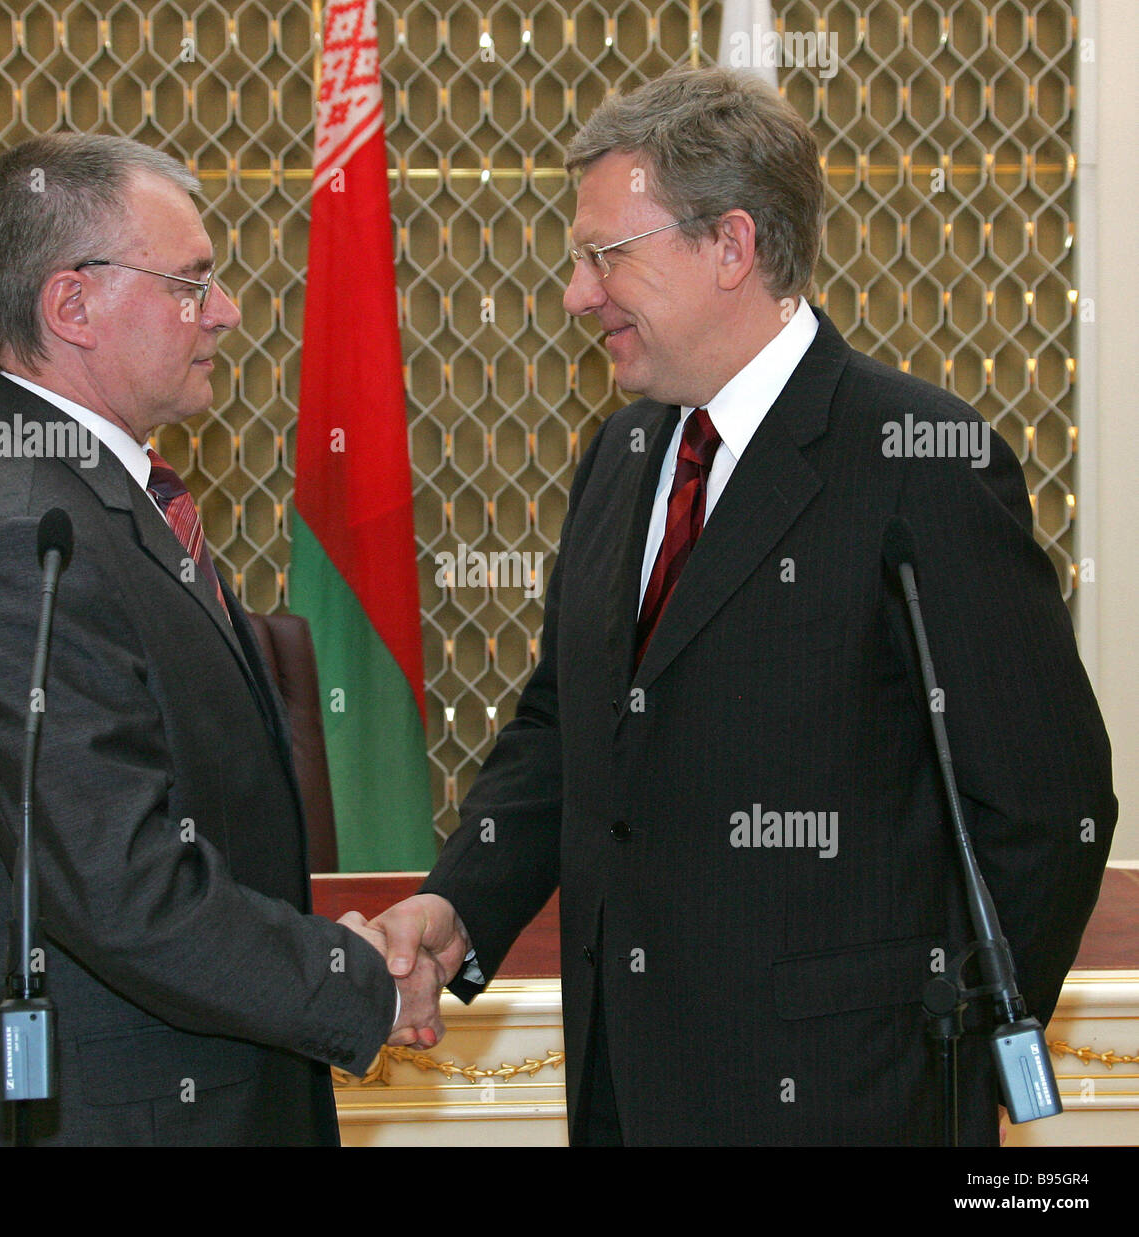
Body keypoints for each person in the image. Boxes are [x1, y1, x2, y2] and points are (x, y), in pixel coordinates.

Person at [369, 67, 1116, 1145]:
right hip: (623, 1089)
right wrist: (456, 907)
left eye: (603, 256)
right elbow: (566, 731)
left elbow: (1049, 800)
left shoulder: (919, 460)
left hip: (847, 1101)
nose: (576, 294)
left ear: (731, 246)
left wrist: (943, 1036)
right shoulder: (620, 456)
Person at [0, 133, 444, 1147]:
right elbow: (118, 882)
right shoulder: (21, 528)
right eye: (191, 282)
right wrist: (352, 986)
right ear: (72, 307)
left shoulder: (90, 497)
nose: (223, 311)